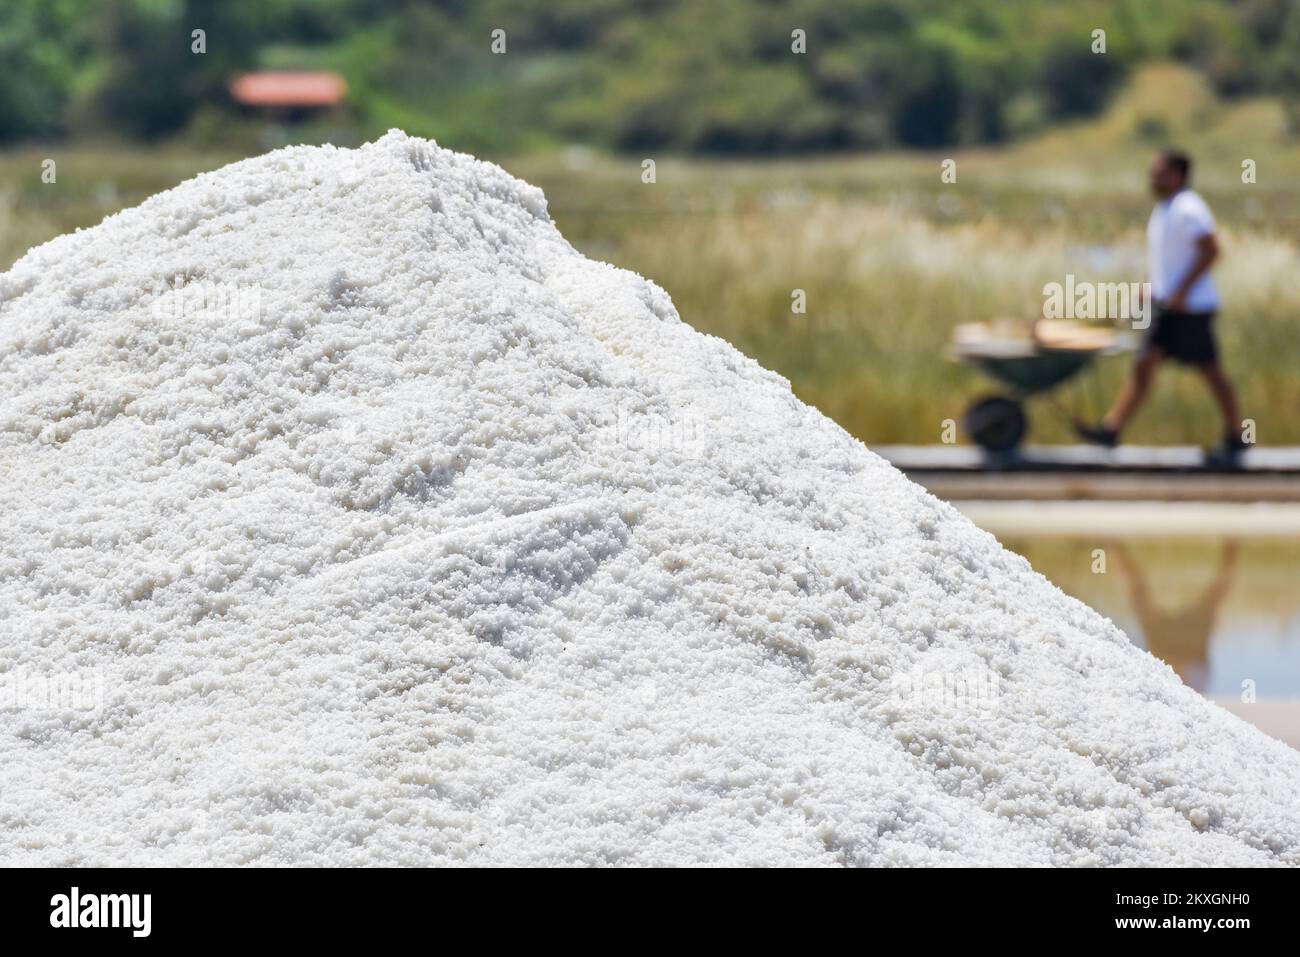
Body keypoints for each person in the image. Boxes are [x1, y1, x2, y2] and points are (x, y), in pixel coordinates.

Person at [1078, 150, 1245, 463]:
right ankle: (1111, 429)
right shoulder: (1165, 209)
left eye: (1159, 172)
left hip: (1190, 308)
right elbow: (1168, 261)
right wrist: (1151, 289)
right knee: (1143, 364)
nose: (1152, 178)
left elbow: (1211, 250)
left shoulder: (1188, 207)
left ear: (1178, 175)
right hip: (1167, 306)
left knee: (1210, 371)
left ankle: (1238, 435)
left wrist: (1182, 291)